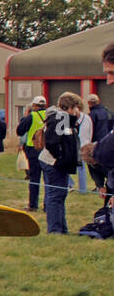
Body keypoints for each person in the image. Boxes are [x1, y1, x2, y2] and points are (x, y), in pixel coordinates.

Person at [39, 92, 82, 234]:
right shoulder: (60, 117)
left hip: (59, 164)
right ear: (70, 107)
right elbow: (52, 141)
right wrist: (59, 158)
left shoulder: (65, 119)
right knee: (55, 196)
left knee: (60, 195)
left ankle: (62, 229)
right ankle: (55, 230)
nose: (78, 111)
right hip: (53, 163)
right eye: (77, 108)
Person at [17, 96, 47, 211]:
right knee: (47, 180)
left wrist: (24, 118)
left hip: (33, 149)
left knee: (34, 179)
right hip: (47, 149)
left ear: (34, 106)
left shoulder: (32, 116)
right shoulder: (50, 115)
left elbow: (20, 131)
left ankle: (33, 205)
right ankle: (47, 206)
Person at [86, 93, 111, 185]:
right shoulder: (108, 112)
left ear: (88, 103)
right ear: (98, 101)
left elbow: (89, 131)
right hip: (109, 145)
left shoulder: (91, 115)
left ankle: (100, 185)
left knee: (96, 167)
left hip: (95, 146)